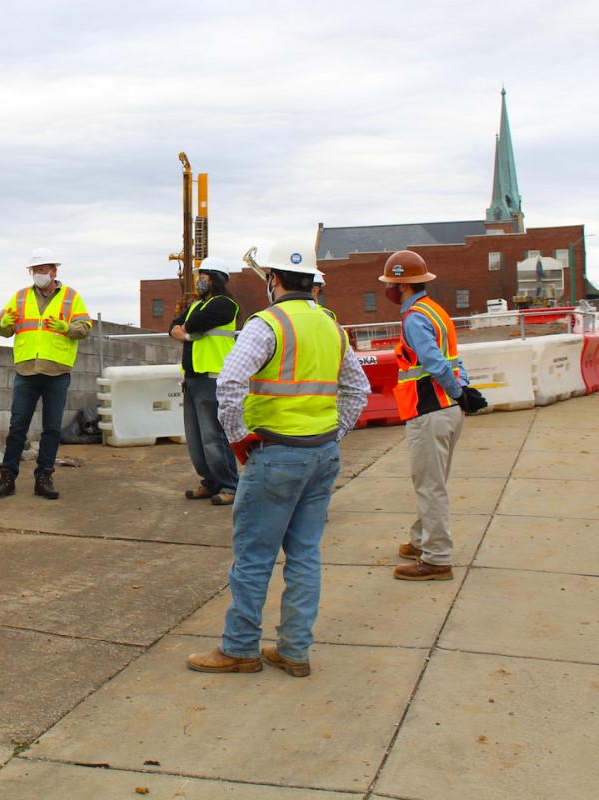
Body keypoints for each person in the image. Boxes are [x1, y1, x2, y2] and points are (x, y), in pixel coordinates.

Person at [186, 236, 368, 678]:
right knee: (304, 555)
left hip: (275, 453)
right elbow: (358, 390)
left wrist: (238, 441)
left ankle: (241, 648)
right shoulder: (331, 325)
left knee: (253, 557)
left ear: (273, 279)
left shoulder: (267, 324)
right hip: (321, 455)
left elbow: (228, 387)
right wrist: (331, 435)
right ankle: (294, 650)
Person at [379, 250, 476, 581]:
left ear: (402, 285)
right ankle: (423, 540)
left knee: (430, 485)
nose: (388, 289)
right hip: (446, 410)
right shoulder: (436, 311)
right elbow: (453, 359)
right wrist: (463, 390)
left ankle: (437, 558)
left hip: (429, 410)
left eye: (391, 283)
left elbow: (435, 362)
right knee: (434, 481)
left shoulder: (414, 318)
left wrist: (457, 391)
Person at [0, 247, 92, 501]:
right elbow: (2, 327)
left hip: (56, 370)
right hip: (26, 369)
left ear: (54, 271)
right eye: (35, 270)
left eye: (42, 270)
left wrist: (67, 327)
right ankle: (7, 478)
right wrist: (3, 325)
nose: (38, 274)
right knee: (17, 426)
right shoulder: (20, 296)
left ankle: (44, 477)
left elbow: (85, 327)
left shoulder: (71, 297)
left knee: (52, 428)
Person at [169, 256, 240, 505]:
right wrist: (185, 332)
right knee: (197, 437)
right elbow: (174, 327)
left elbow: (190, 324)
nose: (199, 280)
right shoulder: (197, 304)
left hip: (213, 378)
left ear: (215, 279)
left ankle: (230, 485)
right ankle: (210, 482)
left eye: (204, 276)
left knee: (213, 437)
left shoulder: (225, 304)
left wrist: (184, 330)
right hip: (192, 379)